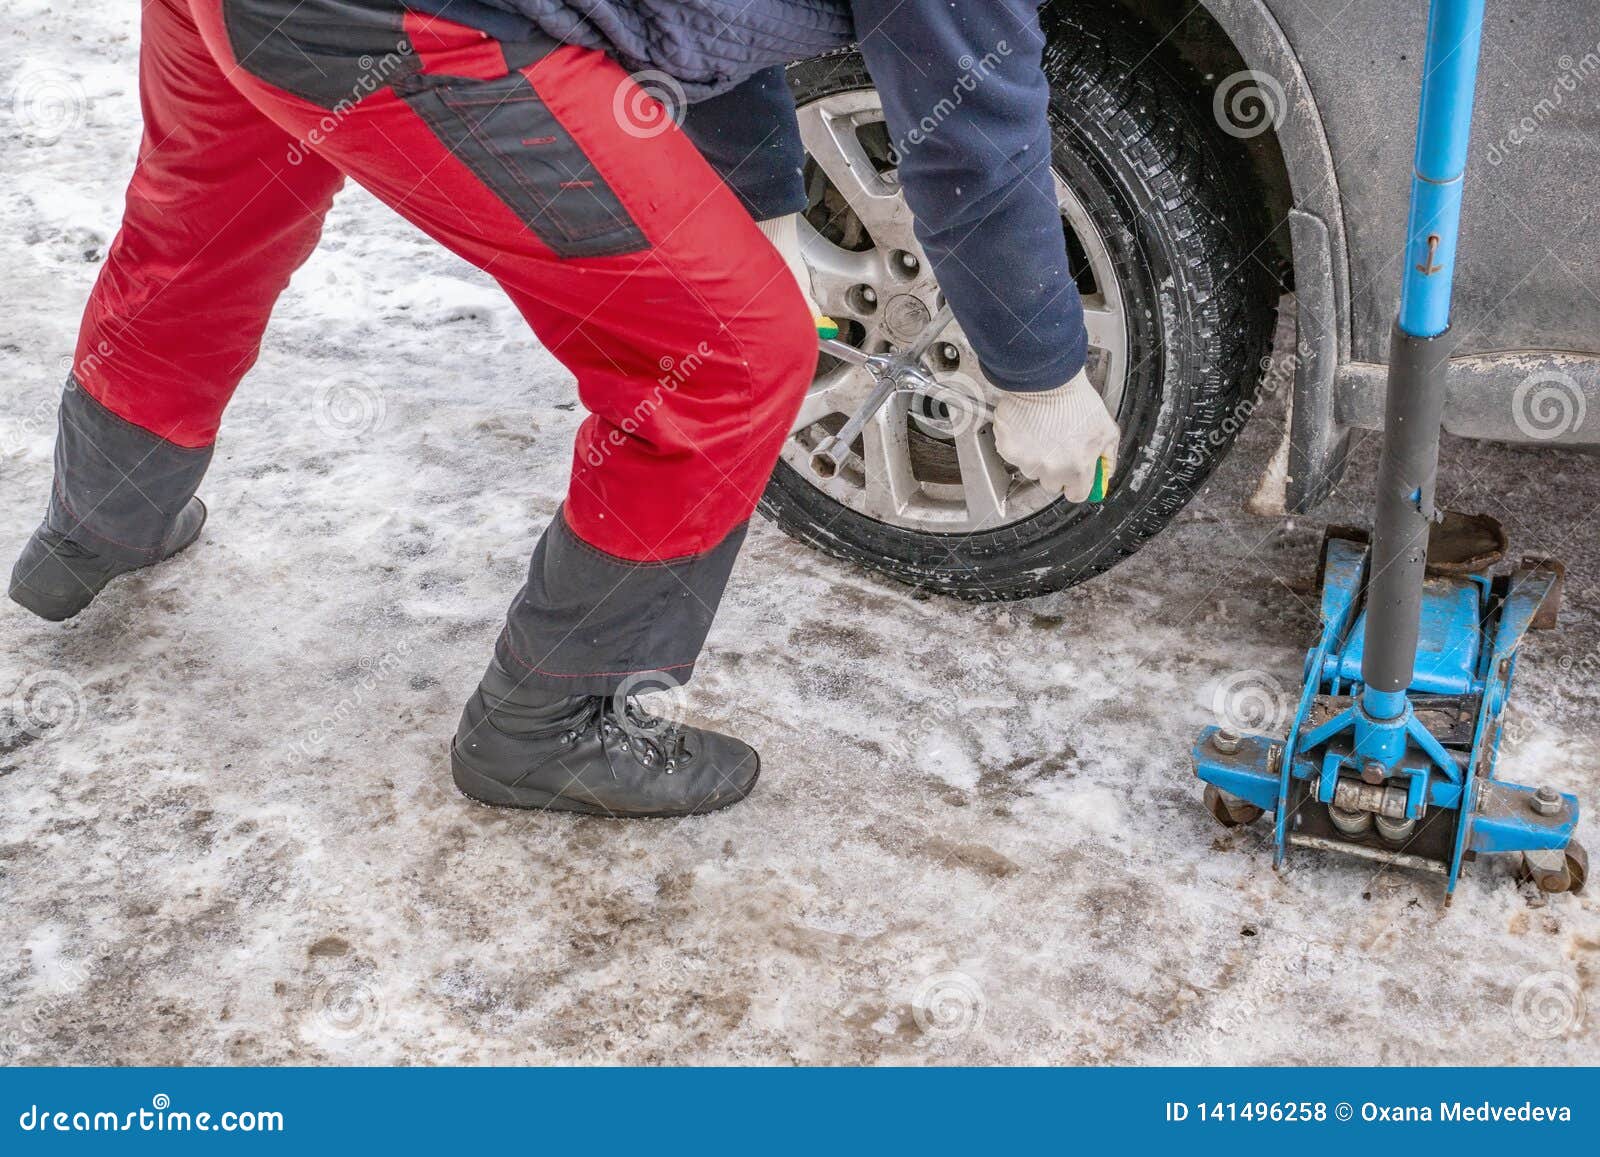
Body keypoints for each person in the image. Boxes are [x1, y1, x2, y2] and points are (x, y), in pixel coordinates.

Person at [10, 0, 1117, 820]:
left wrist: (767, 204)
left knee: (202, 224)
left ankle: (99, 522)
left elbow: (697, 27)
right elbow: (973, 140)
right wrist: (1041, 377)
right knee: (726, 356)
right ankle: (551, 722)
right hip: (383, 24)